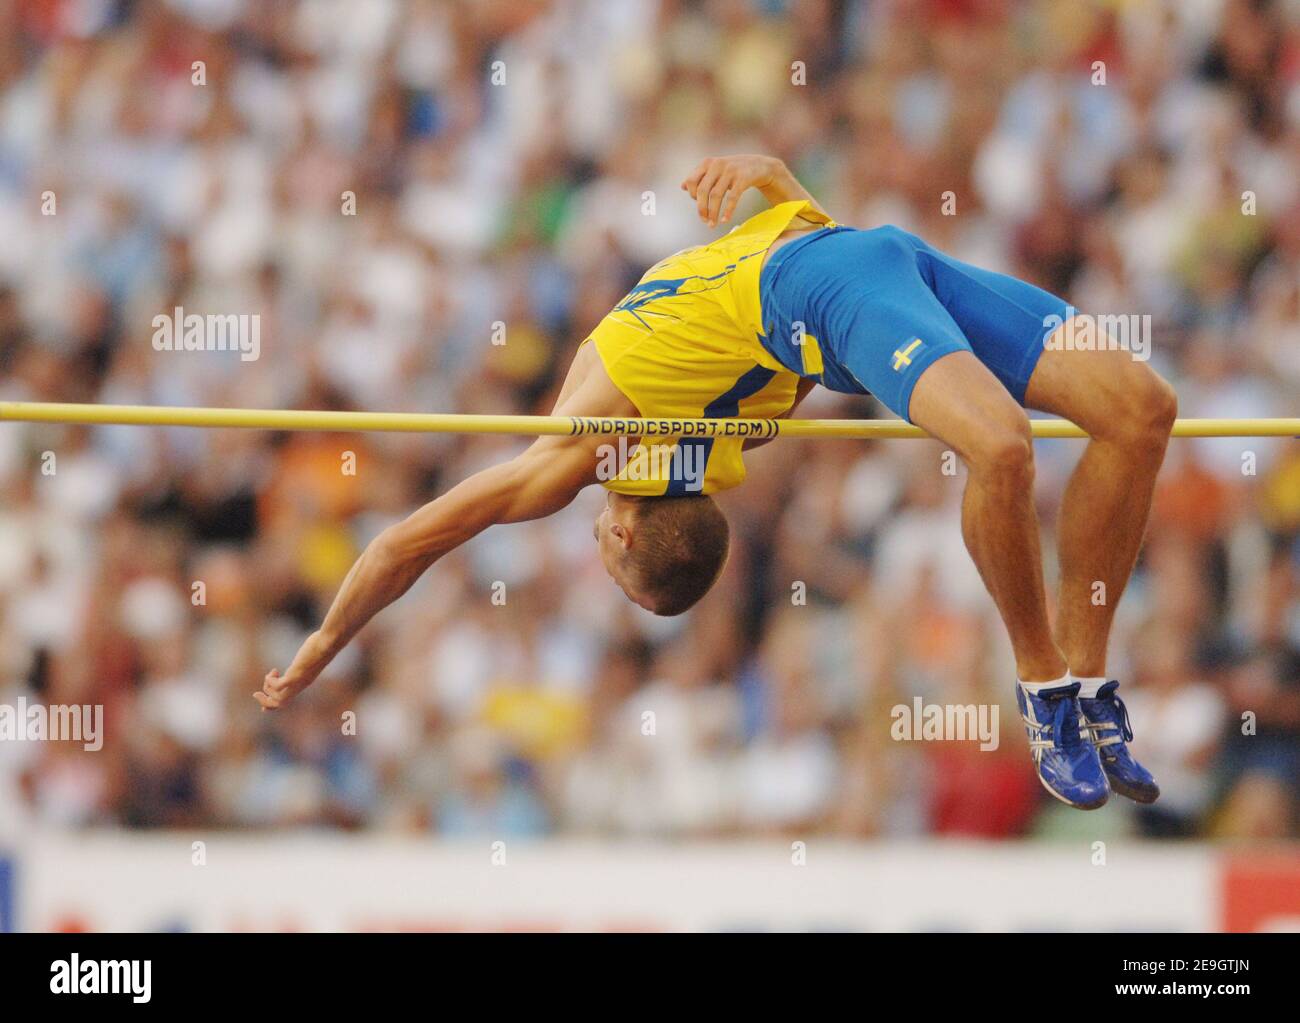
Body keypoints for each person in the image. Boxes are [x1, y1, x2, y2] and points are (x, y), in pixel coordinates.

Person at [257, 154, 1175, 810]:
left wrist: (325, 640)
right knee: (1017, 444)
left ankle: (1072, 684)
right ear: (625, 534)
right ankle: (1055, 686)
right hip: (852, 283)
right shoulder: (669, 450)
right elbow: (407, 539)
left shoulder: (583, 450)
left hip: (859, 264)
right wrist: (774, 179)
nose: (592, 538)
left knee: (1139, 412)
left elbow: (407, 539)